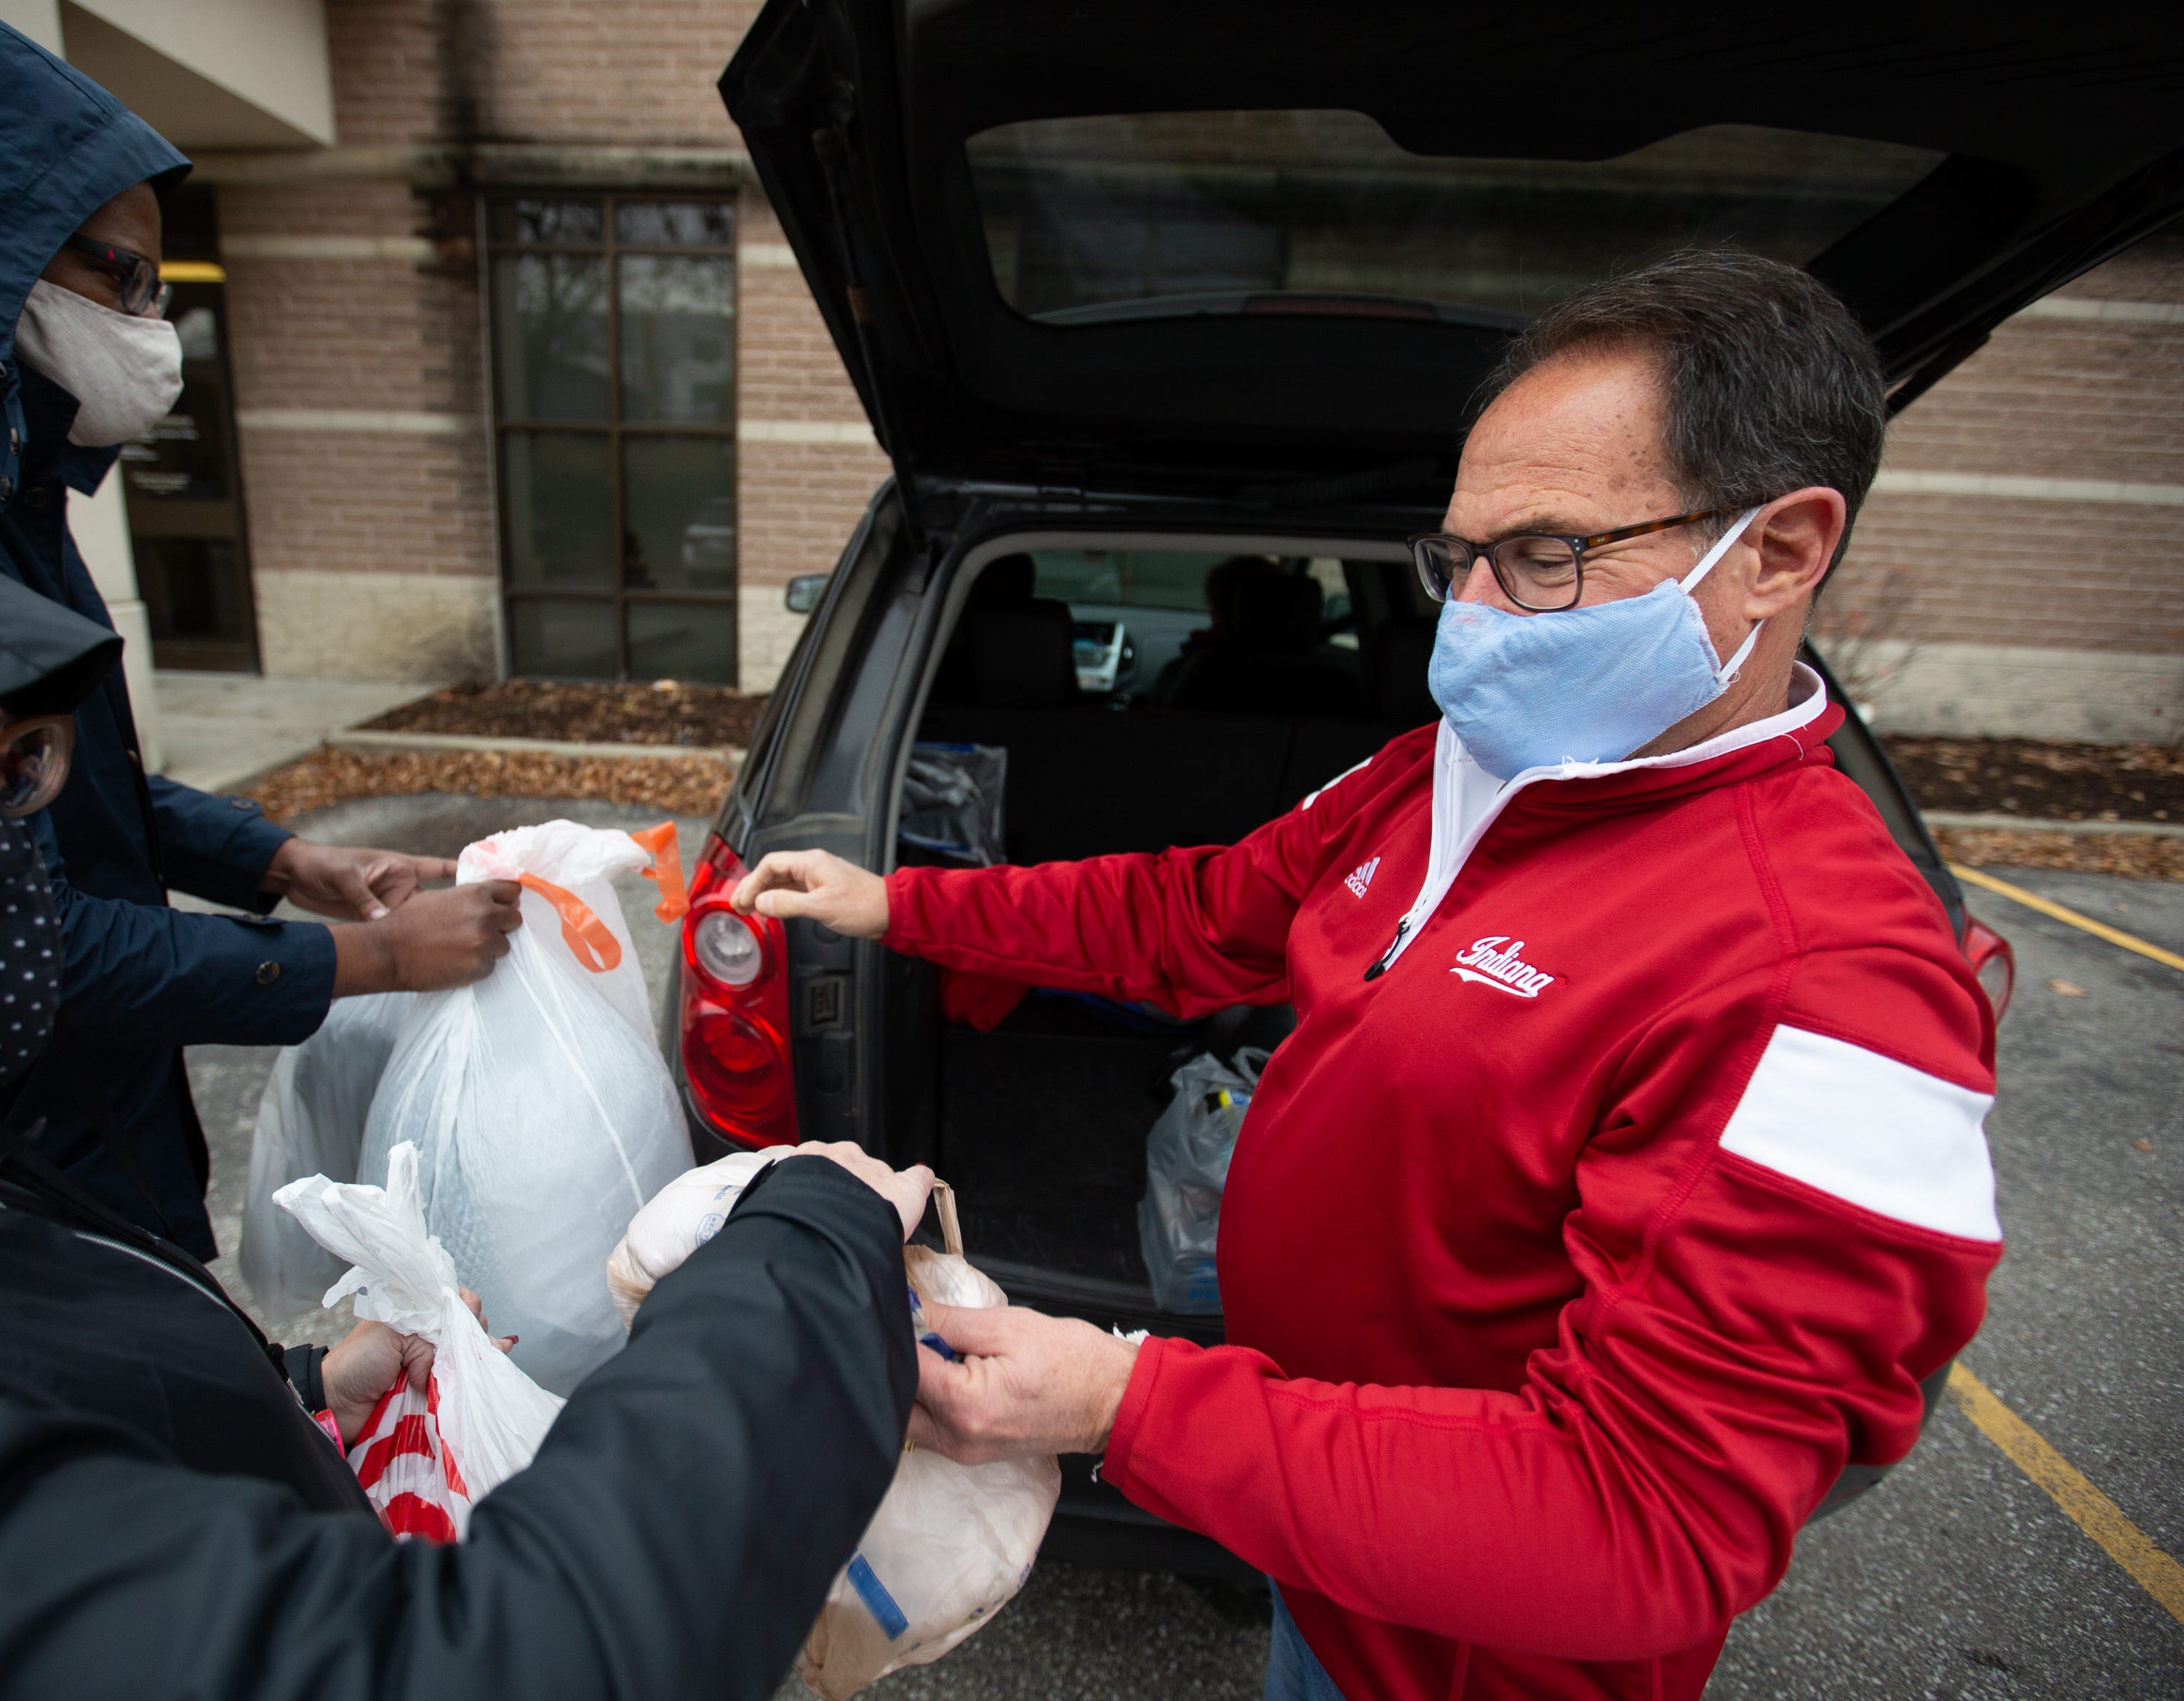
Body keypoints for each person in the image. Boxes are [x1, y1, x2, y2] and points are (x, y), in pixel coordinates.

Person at [732, 252, 2001, 1701]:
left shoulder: (1831, 987)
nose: (1474, 617)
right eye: (1458, 557)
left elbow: (1645, 1522)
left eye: (1543, 554)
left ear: (1779, 551)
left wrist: (1125, 1400)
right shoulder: (1455, 774)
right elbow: (1198, 914)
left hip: (1468, 1662)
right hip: (1322, 1552)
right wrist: (901, 901)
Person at [0, 444, 931, 1700]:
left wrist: (301, 1389)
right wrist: (808, 1238)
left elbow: (67, 1398)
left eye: (1, 777)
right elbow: (510, 1664)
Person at [0, 0, 511, 1260]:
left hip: (73, 1142)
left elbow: (66, 784)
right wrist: (369, 959)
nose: (153, 325)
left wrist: (282, 862)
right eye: (122, 276)